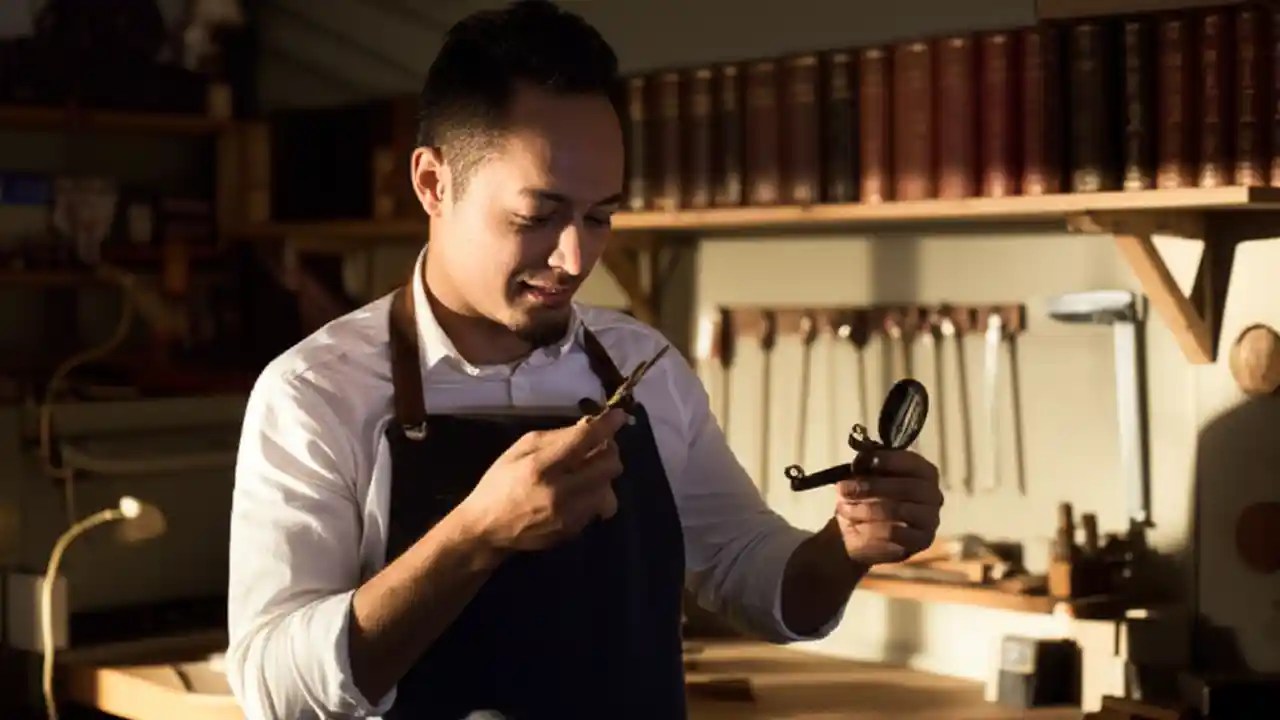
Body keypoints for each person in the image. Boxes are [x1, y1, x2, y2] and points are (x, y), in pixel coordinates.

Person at [225, 1, 943, 719]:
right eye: (536, 216)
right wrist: (473, 537)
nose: (574, 258)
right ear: (433, 184)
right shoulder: (317, 394)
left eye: (599, 216)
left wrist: (847, 548)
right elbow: (274, 692)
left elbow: (750, 574)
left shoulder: (644, 366)